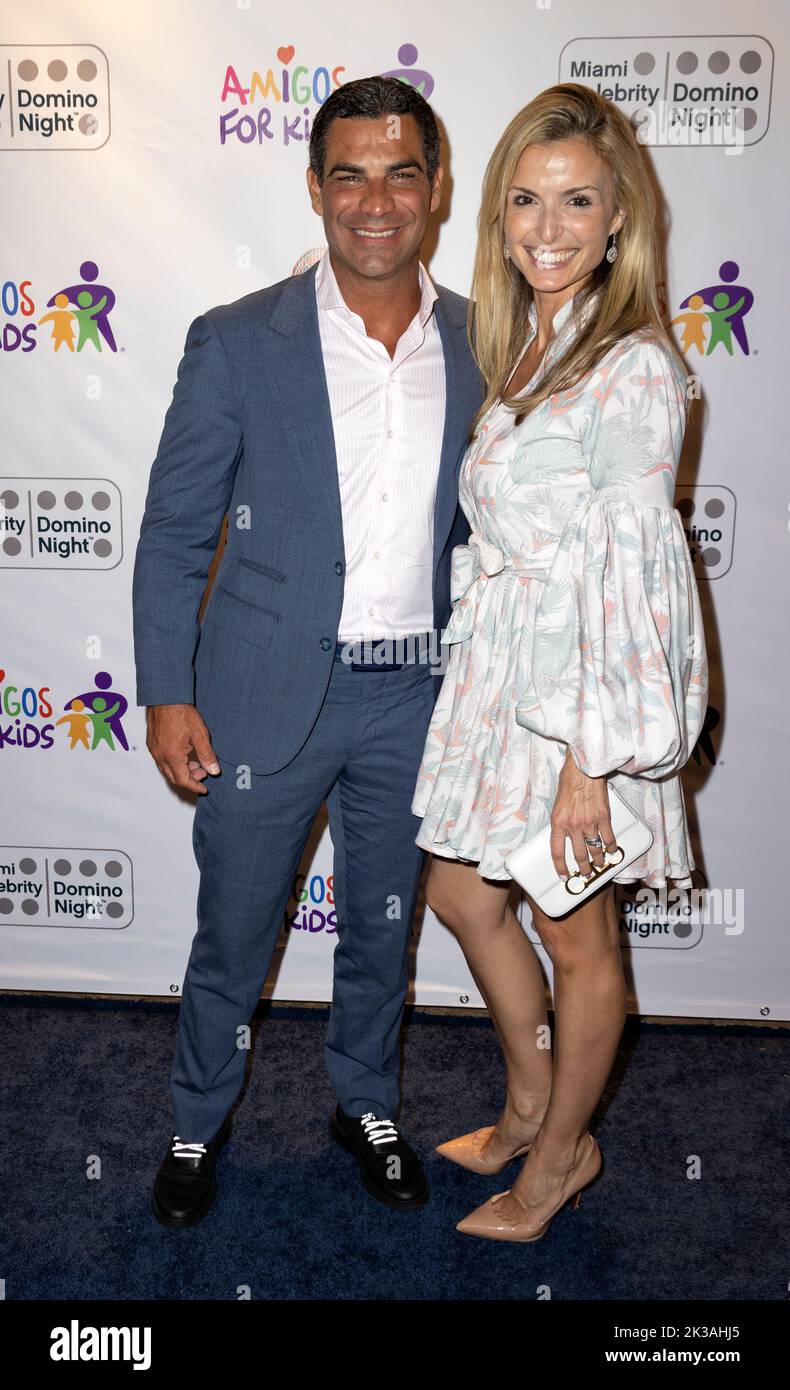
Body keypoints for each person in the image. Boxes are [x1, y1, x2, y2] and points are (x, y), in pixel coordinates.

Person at [132, 76, 484, 1227]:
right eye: (349, 174)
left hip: (414, 695)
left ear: (432, 190)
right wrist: (166, 694)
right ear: (315, 188)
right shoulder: (237, 341)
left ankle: (364, 1102)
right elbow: (179, 532)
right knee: (234, 927)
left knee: (382, 920)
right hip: (261, 690)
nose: (373, 200)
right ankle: (195, 1121)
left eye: (398, 173)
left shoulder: (487, 343)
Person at [411, 83, 708, 1242]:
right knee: (458, 891)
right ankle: (533, 1099)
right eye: (524, 201)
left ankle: (560, 1160)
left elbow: (637, 584)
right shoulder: (530, 337)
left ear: (618, 216)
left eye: (576, 200)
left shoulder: (631, 369)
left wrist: (592, 758)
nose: (547, 226)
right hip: (506, 682)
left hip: (584, 703)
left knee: (578, 938)